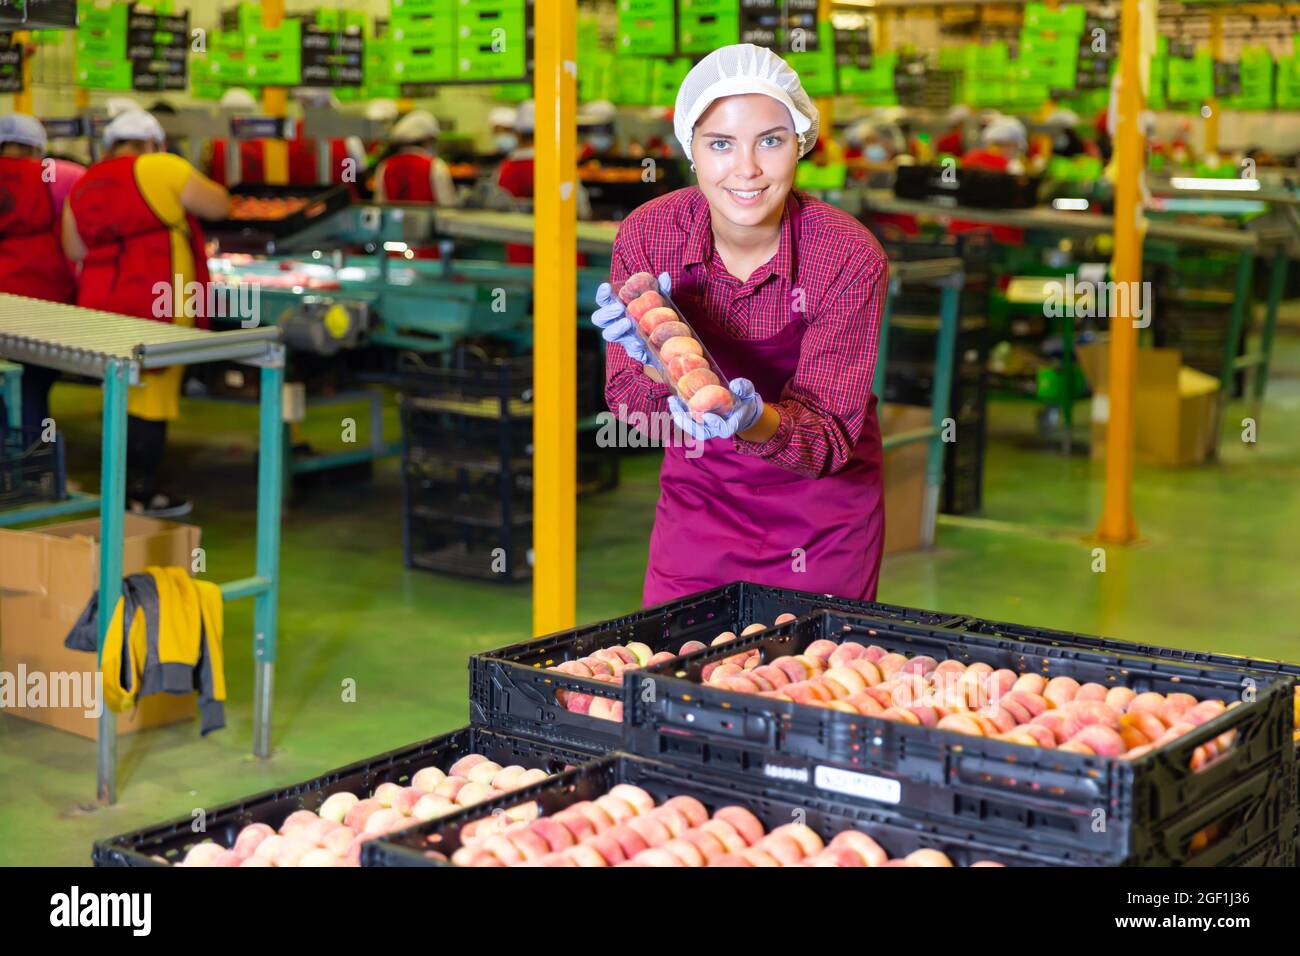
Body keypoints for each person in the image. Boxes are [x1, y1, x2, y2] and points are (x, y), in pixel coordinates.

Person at [591, 44, 890, 604]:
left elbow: (825, 443)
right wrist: (659, 371)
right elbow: (630, 410)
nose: (746, 169)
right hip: (700, 502)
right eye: (721, 144)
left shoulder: (847, 255)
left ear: (800, 144)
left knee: (807, 682)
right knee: (674, 671)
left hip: (822, 515)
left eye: (771, 141)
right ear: (692, 150)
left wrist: (746, 418)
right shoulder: (650, 235)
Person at [63, 109, 230, 517]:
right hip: (159, 299)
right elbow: (219, 205)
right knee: (153, 398)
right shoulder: (161, 166)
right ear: (155, 142)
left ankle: (118, 488)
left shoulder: (86, 180)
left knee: (118, 392)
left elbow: (74, 250)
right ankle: (143, 493)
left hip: (102, 300)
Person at [0, 115, 83, 434]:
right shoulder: (62, 175)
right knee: (33, 384)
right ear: (38, 146)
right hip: (43, 304)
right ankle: (34, 468)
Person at [373, 109, 458, 205]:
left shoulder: (384, 167)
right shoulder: (435, 165)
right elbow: (447, 207)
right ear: (427, 140)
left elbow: (380, 206)